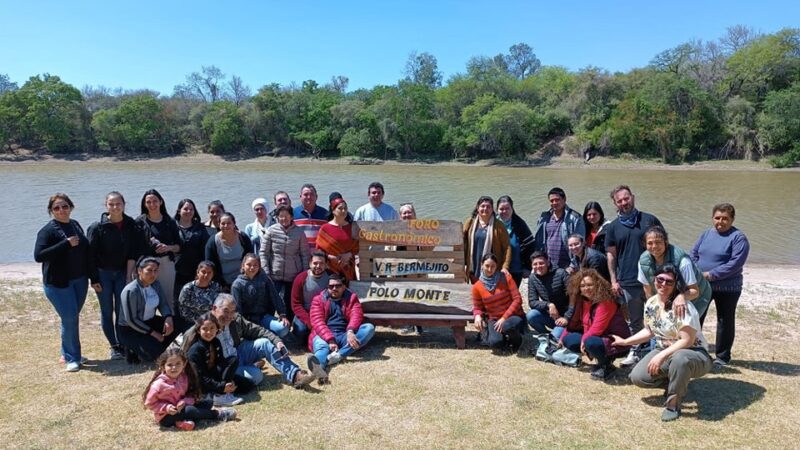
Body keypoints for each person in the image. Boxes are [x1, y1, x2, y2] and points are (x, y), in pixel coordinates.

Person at [613, 265, 712, 422]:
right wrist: (625, 342)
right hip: (665, 349)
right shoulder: (651, 302)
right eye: (660, 279)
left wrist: (660, 356)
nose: (664, 284)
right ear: (654, 280)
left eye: (669, 282)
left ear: (676, 285)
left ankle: (673, 404)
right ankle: (676, 381)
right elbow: (649, 331)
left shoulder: (682, 306)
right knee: (638, 377)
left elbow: (687, 341)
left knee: (680, 359)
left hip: (695, 353)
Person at [182, 294, 324, 387]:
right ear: (214, 308)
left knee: (265, 343)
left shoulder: (235, 319)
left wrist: (277, 341)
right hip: (223, 366)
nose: (230, 316)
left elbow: (258, 330)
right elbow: (185, 350)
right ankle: (253, 366)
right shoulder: (203, 326)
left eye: (232, 311)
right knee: (256, 377)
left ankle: (296, 375)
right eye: (226, 311)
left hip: (239, 353)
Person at [605, 185, 662, 367]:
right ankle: (636, 351)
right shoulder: (613, 227)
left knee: (658, 315)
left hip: (653, 279)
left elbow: (663, 246)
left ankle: (659, 350)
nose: (624, 203)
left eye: (626, 198)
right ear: (615, 204)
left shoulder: (649, 220)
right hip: (628, 280)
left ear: (633, 198)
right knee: (635, 320)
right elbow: (611, 255)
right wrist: (614, 280)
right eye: (619, 201)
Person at [34, 193, 91, 372]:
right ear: (51, 211)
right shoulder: (47, 231)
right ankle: (73, 358)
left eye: (64, 206)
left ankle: (66, 352)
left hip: (79, 280)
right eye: (56, 208)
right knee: (70, 318)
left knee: (70, 319)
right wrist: (65, 244)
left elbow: (84, 251)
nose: (61, 210)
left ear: (71, 208)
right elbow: (39, 256)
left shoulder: (75, 225)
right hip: (58, 284)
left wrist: (93, 276)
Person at [690, 203, 750, 367]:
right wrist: (695, 271)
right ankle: (694, 349)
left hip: (728, 288)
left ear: (732, 219)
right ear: (712, 218)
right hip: (703, 285)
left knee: (724, 321)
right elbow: (694, 253)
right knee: (695, 317)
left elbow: (735, 263)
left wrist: (711, 275)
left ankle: (722, 357)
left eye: (725, 219)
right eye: (717, 218)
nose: (720, 222)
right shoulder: (706, 234)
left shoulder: (738, 238)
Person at [87, 191, 140, 361]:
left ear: (124, 204)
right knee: (107, 310)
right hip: (103, 274)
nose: (115, 207)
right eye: (111, 204)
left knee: (121, 310)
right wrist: (94, 279)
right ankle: (114, 346)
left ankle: (123, 343)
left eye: (118, 204)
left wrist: (129, 275)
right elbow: (90, 255)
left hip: (122, 273)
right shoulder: (97, 227)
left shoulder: (131, 224)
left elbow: (133, 250)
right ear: (106, 206)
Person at [561, 269, 631, 380]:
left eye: (589, 285)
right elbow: (575, 322)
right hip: (597, 337)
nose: (586, 288)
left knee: (590, 342)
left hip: (616, 339)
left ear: (598, 284)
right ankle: (600, 359)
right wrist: (562, 336)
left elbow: (597, 328)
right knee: (569, 339)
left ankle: (606, 365)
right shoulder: (583, 301)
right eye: (582, 286)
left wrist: (584, 341)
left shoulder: (606, 301)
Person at [143, 347, 236, 431]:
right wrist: (166, 408)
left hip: (182, 408)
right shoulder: (158, 385)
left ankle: (183, 421)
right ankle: (218, 414)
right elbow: (149, 403)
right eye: (170, 365)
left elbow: (191, 394)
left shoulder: (184, 377)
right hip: (166, 416)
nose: (174, 367)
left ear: (184, 364)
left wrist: (185, 401)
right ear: (163, 367)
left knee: (208, 402)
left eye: (178, 364)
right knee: (190, 410)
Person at [309, 274, 376, 381]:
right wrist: (330, 339)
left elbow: (356, 315)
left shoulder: (351, 298)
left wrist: (350, 332)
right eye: (331, 286)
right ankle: (320, 370)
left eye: (337, 286)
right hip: (324, 336)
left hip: (344, 335)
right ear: (327, 287)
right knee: (322, 348)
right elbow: (317, 322)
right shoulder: (318, 300)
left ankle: (339, 355)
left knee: (368, 328)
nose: (334, 288)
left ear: (344, 286)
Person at [638, 225, 712, 319]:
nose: (654, 246)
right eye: (650, 243)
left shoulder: (683, 261)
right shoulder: (643, 262)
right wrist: (655, 308)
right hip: (671, 295)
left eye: (658, 242)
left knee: (686, 327)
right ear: (645, 244)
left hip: (698, 296)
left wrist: (681, 297)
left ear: (666, 242)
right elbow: (648, 291)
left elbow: (695, 291)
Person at [185, 313, 254, 408]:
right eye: (205, 329)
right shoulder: (195, 350)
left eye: (212, 328)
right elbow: (200, 377)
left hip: (213, 378)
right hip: (201, 383)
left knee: (248, 385)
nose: (209, 332)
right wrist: (221, 387)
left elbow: (220, 364)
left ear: (217, 329)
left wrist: (228, 382)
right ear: (198, 330)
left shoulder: (216, 342)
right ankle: (220, 395)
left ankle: (224, 390)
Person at [118, 257, 175, 362]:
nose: (153, 274)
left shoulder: (156, 284)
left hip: (150, 321)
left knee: (179, 324)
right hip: (131, 329)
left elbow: (163, 304)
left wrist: (168, 318)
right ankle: (131, 349)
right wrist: (154, 333)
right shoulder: (131, 291)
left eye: (156, 271)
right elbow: (132, 320)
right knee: (160, 355)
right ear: (139, 271)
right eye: (149, 270)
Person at [260, 204, 310, 324]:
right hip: (274, 274)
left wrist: (304, 275)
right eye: (281, 216)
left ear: (292, 217)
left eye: (286, 216)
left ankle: (290, 328)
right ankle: (271, 326)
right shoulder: (271, 231)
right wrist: (266, 272)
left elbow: (305, 254)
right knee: (271, 302)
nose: (284, 219)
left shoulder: (299, 233)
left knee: (290, 303)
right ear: (277, 217)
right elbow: (263, 253)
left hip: (293, 275)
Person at [471, 253, 526, 352]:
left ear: (497, 267)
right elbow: (477, 307)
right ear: (481, 265)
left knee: (507, 326)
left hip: (513, 316)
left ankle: (516, 341)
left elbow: (518, 299)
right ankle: (503, 339)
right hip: (495, 319)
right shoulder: (477, 286)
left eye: (493, 266)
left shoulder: (506, 278)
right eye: (487, 266)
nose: (489, 269)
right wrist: (477, 316)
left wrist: (504, 318)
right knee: (495, 343)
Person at [136, 189, 181, 307]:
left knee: (168, 298)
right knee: (146, 299)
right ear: (144, 204)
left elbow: (179, 247)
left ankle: (168, 323)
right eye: (148, 202)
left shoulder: (169, 221)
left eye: (155, 201)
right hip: (146, 265)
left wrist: (168, 248)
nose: (152, 205)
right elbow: (134, 247)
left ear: (161, 202)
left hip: (166, 264)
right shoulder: (140, 222)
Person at [231, 254, 289, 338]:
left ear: (259, 267)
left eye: (255, 265)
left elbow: (275, 296)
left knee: (283, 328)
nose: (252, 268)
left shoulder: (264, 279)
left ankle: (268, 334)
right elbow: (237, 310)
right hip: (247, 321)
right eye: (249, 265)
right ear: (243, 266)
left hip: (263, 317)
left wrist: (282, 314)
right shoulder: (237, 285)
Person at [534, 187, 586, 270]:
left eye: (557, 200)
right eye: (551, 201)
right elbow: (539, 242)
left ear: (564, 199)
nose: (554, 203)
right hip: (548, 265)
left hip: (568, 267)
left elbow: (580, 244)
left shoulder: (575, 218)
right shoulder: (544, 218)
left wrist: (573, 266)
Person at [463, 196, 511, 283]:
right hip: (474, 266)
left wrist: (505, 267)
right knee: (476, 292)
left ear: (492, 209)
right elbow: (461, 240)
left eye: (488, 206)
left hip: (492, 268)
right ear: (477, 208)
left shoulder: (499, 226)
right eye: (482, 206)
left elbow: (507, 247)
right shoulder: (470, 222)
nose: (485, 208)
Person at [173, 199, 210, 305]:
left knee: (194, 299)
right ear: (179, 211)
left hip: (195, 270)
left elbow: (205, 248)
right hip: (176, 270)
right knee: (177, 300)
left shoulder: (200, 227)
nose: (188, 211)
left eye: (191, 209)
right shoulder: (172, 226)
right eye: (185, 209)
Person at [526, 251, 572, 336]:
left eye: (541, 263)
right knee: (531, 315)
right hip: (552, 315)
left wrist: (566, 317)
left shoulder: (561, 273)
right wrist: (549, 305)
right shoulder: (533, 278)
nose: (538, 266)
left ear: (548, 262)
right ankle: (546, 335)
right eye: (535, 264)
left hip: (566, 316)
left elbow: (575, 297)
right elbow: (532, 302)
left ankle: (559, 335)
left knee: (555, 337)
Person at [205, 212, 253, 290]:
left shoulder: (243, 238)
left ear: (234, 224)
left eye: (229, 223)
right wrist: (222, 284)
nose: (226, 226)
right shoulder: (213, 242)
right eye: (223, 223)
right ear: (219, 225)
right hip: (222, 283)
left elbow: (251, 258)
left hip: (244, 280)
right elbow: (210, 265)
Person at [291, 251, 330, 343]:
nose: (318, 266)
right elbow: (296, 304)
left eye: (321, 263)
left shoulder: (331, 277)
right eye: (315, 263)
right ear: (310, 263)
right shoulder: (301, 278)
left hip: (325, 313)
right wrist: (309, 322)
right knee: (300, 331)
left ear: (326, 265)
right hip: (306, 312)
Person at [316, 197, 359, 282]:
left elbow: (358, 246)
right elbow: (319, 249)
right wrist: (330, 257)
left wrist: (349, 255)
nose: (343, 211)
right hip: (330, 268)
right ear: (333, 210)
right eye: (340, 208)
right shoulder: (325, 229)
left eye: (345, 208)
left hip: (349, 268)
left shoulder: (353, 227)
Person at [496, 195, 535, 287]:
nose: (504, 211)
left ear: (512, 209)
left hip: (515, 269)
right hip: (494, 269)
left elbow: (530, 246)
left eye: (507, 208)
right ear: (496, 210)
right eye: (501, 209)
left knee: (512, 296)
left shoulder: (519, 224)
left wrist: (527, 267)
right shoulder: (492, 224)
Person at [177, 261, 222, 330]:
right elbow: (183, 311)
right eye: (203, 272)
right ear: (198, 272)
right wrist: (202, 321)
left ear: (213, 274)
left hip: (212, 321)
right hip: (192, 323)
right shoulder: (188, 289)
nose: (206, 275)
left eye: (209, 273)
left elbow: (220, 305)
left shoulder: (216, 286)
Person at [293, 184, 328, 252]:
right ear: (300, 197)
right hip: (299, 255)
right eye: (305, 194)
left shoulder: (325, 214)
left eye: (312, 194)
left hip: (319, 256)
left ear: (316, 197)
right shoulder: (293, 214)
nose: (309, 197)